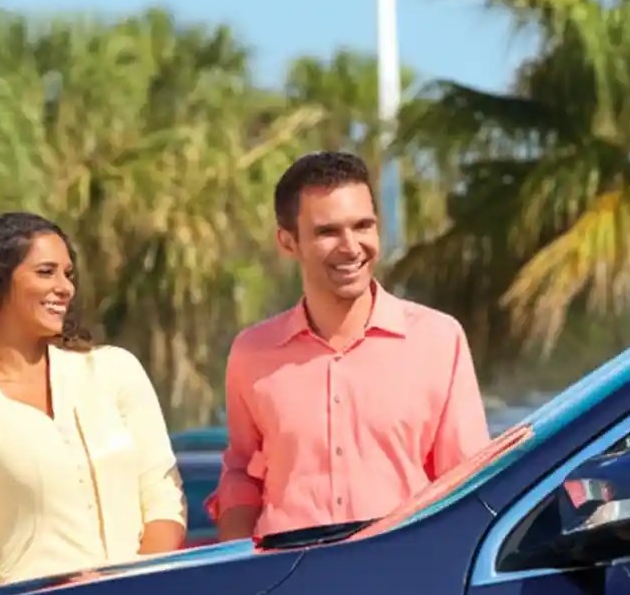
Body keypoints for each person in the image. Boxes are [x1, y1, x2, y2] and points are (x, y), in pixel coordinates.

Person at [0, 212, 187, 595]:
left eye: (68, 274)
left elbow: (164, 498)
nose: (64, 287)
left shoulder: (115, 371)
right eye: (46, 272)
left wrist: (131, 589)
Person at [207, 151, 492, 541]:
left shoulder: (438, 339)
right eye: (327, 232)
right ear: (288, 242)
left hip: (400, 575)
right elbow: (240, 471)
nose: (351, 246)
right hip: (284, 583)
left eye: (363, 226)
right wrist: (237, 565)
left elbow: (468, 479)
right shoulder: (252, 352)